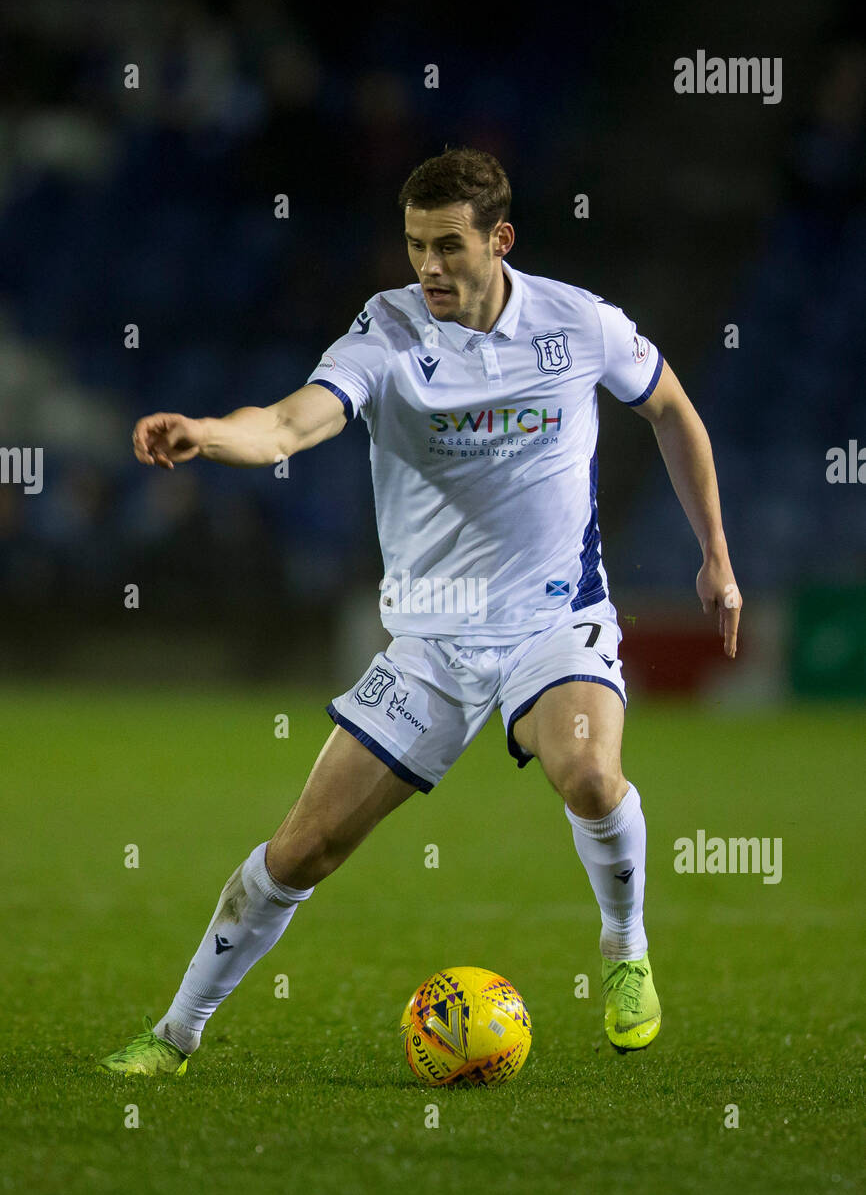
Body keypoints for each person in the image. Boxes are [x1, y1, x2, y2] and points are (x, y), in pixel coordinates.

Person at [101, 147, 741, 1078]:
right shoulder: (388, 334)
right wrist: (208, 433)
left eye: (448, 247)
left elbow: (674, 410)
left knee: (592, 777)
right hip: (431, 639)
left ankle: (625, 948)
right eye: (414, 247)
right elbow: (289, 423)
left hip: (553, 618)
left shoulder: (580, 324)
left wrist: (716, 556)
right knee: (302, 850)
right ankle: (174, 1037)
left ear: (500, 240)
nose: (429, 268)